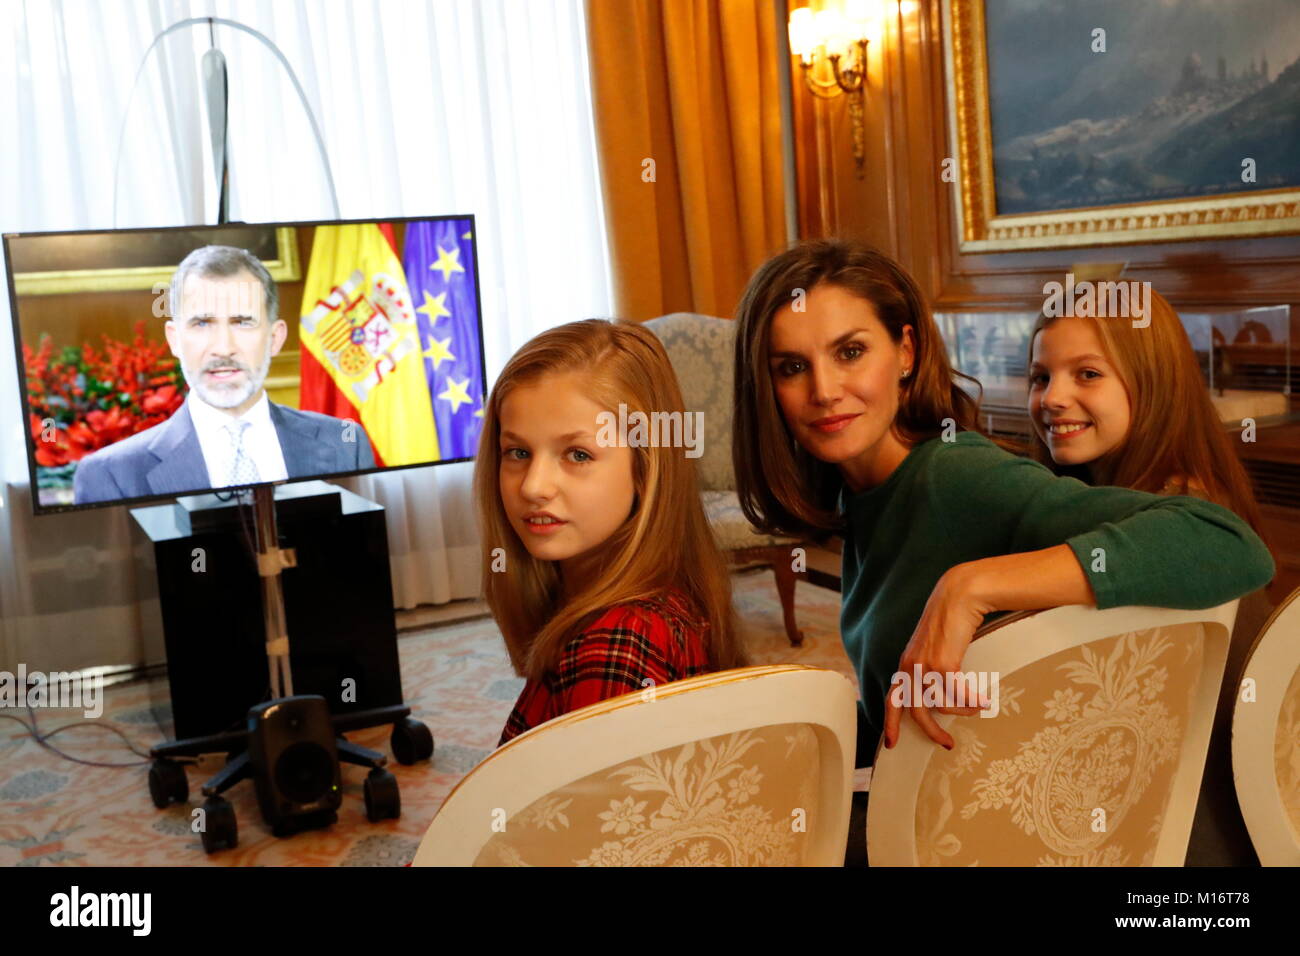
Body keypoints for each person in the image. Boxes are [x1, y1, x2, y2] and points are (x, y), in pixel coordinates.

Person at [731, 240, 1274, 865]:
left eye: (850, 352)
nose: (824, 390)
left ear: (906, 353)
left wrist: (969, 585)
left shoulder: (954, 477)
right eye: (791, 367)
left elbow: (1228, 541)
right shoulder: (869, 495)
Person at [1026, 288, 1275, 866]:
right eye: (1041, 376)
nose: (1054, 398)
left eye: (1087, 374)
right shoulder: (1111, 495)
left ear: (1155, 385)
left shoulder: (1180, 520)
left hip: (1190, 829)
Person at [476, 319, 742, 745]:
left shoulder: (618, 642)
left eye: (577, 454)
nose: (533, 486)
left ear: (645, 467)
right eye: (518, 452)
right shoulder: (641, 597)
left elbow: (596, 811)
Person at [72, 245, 374, 504]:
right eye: (202, 324)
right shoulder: (111, 474)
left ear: (274, 338)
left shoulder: (345, 444)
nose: (223, 348)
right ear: (175, 339)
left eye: (243, 322)